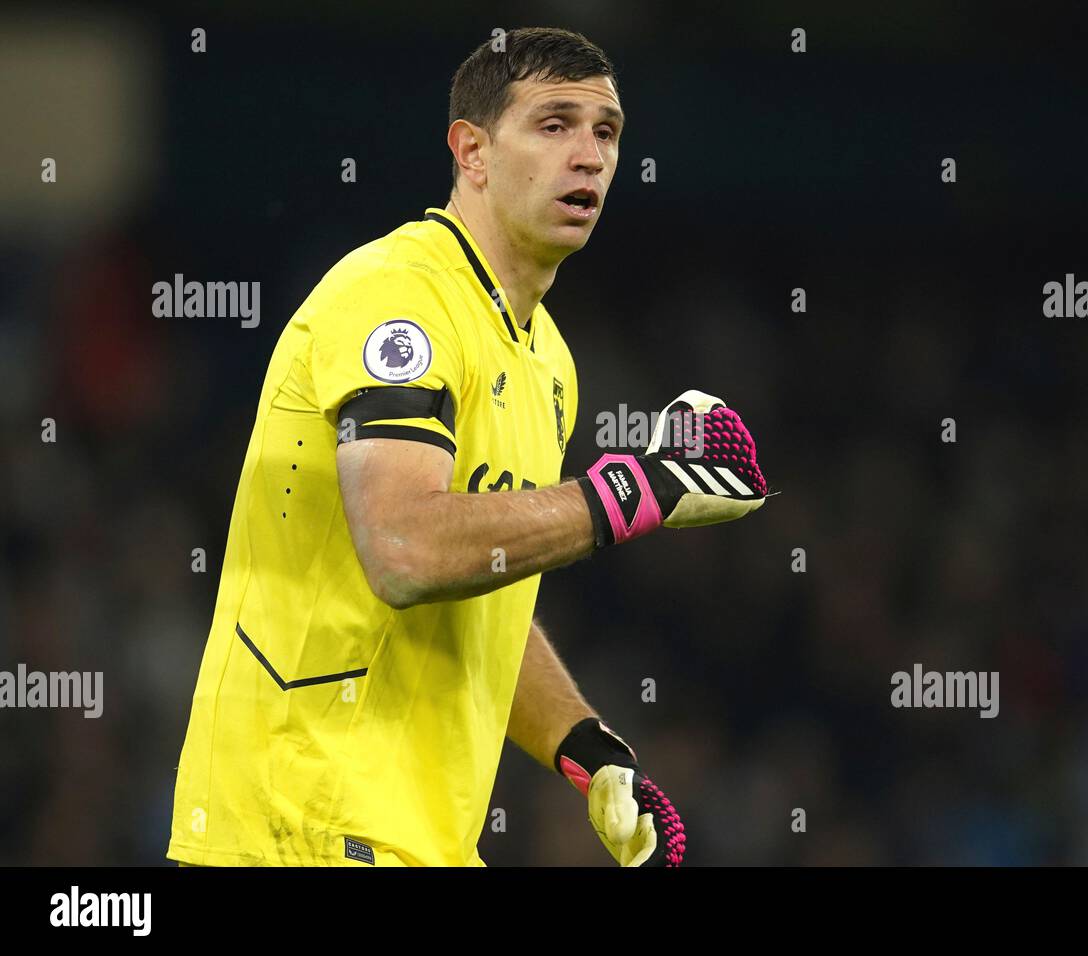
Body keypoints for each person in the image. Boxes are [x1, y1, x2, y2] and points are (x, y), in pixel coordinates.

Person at [167, 26, 768, 868]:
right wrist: (634, 493)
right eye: (554, 124)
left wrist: (582, 745)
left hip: (418, 840)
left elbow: (480, 579)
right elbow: (407, 548)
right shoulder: (397, 297)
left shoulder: (549, 360)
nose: (589, 155)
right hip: (298, 822)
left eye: (607, 131)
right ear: (473, 152)